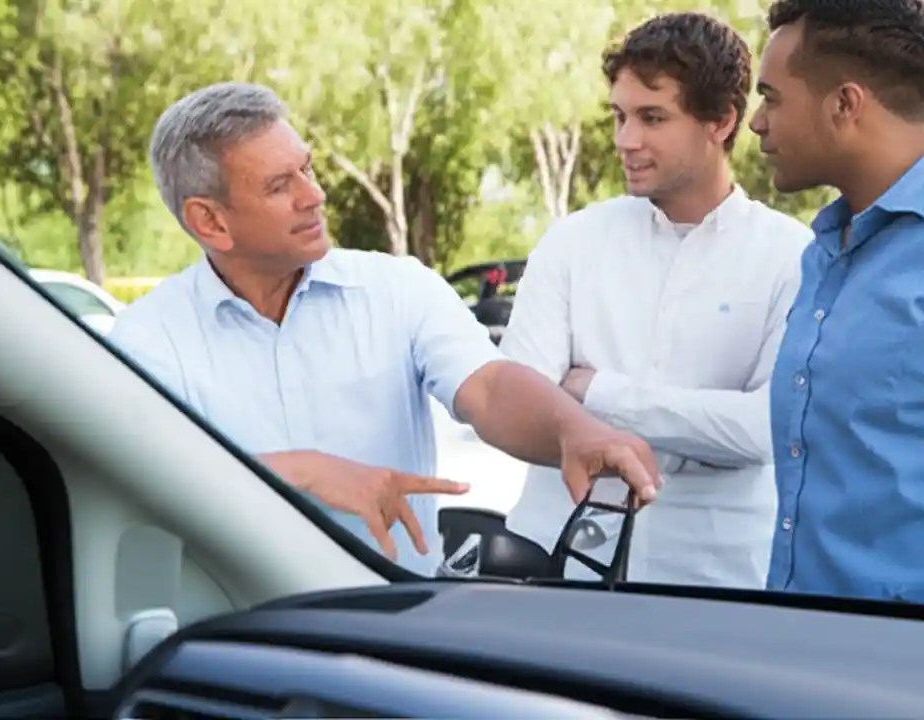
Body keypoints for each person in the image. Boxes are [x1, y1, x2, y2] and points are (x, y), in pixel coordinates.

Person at [107, 82, 661, 576]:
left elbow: (488, 388)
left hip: (395, 629)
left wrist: (573, 430)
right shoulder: (146, 343)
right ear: (210, 221)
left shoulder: (396, 289)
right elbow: (135, 485)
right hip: (242, 644)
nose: (314, 195)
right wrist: (299, 472)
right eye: (280, 185)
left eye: (308, 168)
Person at [499, 12, 811, 588]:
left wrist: (596, 392)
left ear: (721, 121)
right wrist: (701, 430)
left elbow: (764, 431)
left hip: (715, 578)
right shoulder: (573, 242)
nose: (626, 140)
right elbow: (521, 402)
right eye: (619, 117)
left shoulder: (792, 256)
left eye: (652, 118)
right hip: (559, 564)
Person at [750, 0, 924, 601]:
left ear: (845, 104)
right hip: (802, 644)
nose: (756, 122)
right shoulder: (824, 249)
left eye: (771, 97)